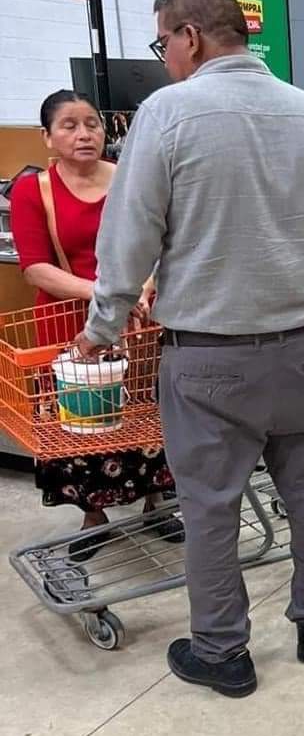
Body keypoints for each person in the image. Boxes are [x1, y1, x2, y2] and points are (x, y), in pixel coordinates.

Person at [75, 0, 304, 697]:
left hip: (208, 359)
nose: (164, 57)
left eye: (162, 42)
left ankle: (223, 651)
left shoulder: (167, 115)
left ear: (190, 36)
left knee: (209, 508)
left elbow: (129, 238)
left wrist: (102, 328)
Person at [9, 89, 183, 562]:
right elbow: (35, 268)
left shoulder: (130, 179)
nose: (84, 134)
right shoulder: (33, 190)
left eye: (92, 123)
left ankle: (155, 500)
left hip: (140, 317)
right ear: (47, 137)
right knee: (79, 423)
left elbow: (162, 242)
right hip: (66, 320)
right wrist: (108, 296)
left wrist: (142, 288)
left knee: (146, 411)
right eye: (69, 125)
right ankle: (93, 513)